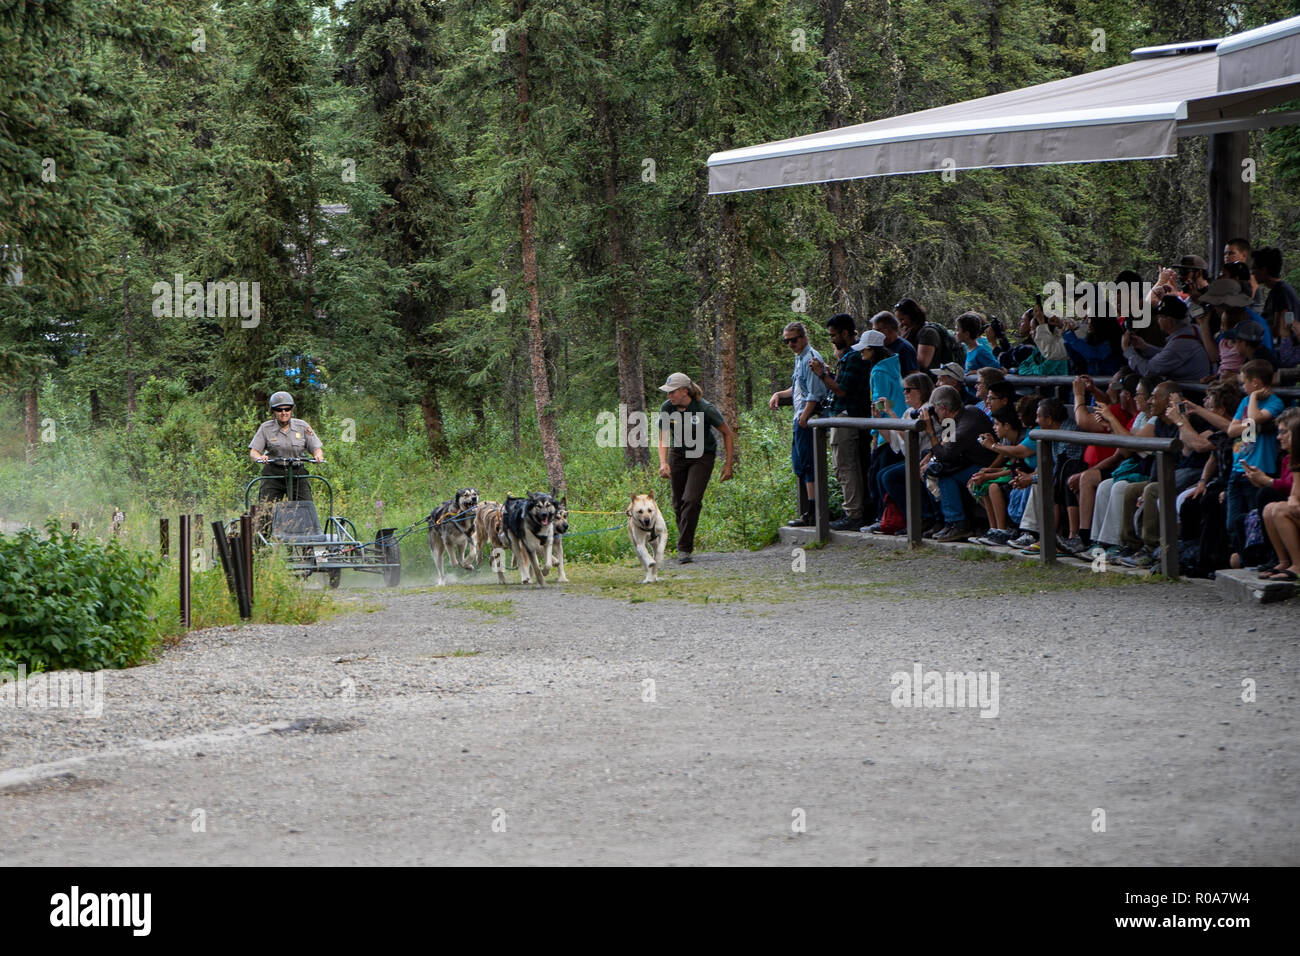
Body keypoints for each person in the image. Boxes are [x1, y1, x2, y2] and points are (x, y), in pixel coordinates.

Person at [657, 373, 735, 564]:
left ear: (685, 391)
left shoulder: (704, 408)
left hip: (702, 456)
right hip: (678, 455)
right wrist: (663, 462)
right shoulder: (667, 408)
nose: (669, 396)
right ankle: (685, 542)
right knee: (678, 503)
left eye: (672, 392)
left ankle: (684, 548)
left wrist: (728, 465)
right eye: (667, 392)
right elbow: (663, 437)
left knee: (691, 500)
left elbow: (727, 433)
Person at [810, 314, 872, 530]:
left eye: (834, 335)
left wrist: (821, 375)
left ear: (846, 333)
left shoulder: (854, 357)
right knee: (849, 465)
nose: (832, 340)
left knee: (844, 465)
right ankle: (857, 511)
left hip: (847, 416)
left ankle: (853, 513)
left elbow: (842, 390)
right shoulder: (851, 356)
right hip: (849, 416)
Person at [769, 322, 828, 527]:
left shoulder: (811, 358)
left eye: (793, 340)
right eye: (786, 341)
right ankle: (808, 510)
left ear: (803, 337)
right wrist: (778, 394)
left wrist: (805, 415)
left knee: (809, 464)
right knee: (800, 463)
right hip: (799, 417)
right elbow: (797, 387)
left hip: (807, 419)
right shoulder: (799, 358)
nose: (790, 344)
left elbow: (815, 392)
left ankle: (814, 511)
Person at [921, 385, 997, 542]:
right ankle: (950, 522)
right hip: (969, 462)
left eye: (935, 408)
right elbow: (945, 444)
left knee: (945, 475)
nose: (934, 412)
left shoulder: (966, 426)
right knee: (934, 469)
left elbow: (944, 455)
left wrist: (930, 431)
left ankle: (958, 524)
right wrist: (929, 456)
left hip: (987, 466)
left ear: (943, 408)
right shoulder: (961, 414)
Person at [248, 391, 324, 508]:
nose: (284, 413)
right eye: (279, 410)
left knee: (306, 508)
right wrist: (260, 457)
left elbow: (316, 448)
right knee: (265, 509)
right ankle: (266, 520)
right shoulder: (265, 428)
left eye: (287, 409)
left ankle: (304, 520)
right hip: (273, 474)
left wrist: (318, 455)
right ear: (273, 411)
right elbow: (254, 452)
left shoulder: (302, 426)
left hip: (297, 473)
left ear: (292, 410)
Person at [1122, 295, 1211, 380]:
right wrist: (1145, 347)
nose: (1158, 320)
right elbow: (1168, 355)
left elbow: (1148, 370)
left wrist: (1127, 350)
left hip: (1193, 387)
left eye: (1160, 317)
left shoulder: (1179, 344)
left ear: (1169, 321)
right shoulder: (1193, 329)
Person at [871, 310, 918, 375]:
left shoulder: (905, 349)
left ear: (887, 330)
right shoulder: (878, 347)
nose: (874, 334)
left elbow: (913, 374)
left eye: (876, 330)